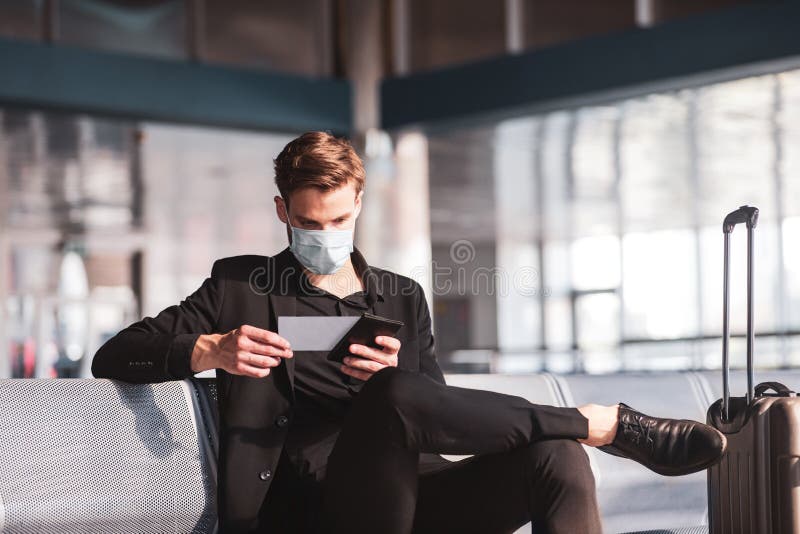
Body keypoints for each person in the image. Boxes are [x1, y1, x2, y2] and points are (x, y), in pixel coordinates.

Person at [92, 131, 726, 534]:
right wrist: (208, 349)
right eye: (309, 222)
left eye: (339, 218)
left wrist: (400, 381)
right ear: (283, 211)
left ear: (359, 206)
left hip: (421, 496)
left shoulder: (400, 295)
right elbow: (113, 355)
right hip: (317, 511)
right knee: (397, 394)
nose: (325, 235)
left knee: (552, 459)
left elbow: (442, 410)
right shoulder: (238, 288)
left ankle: (576, 432)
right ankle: (598, 423)